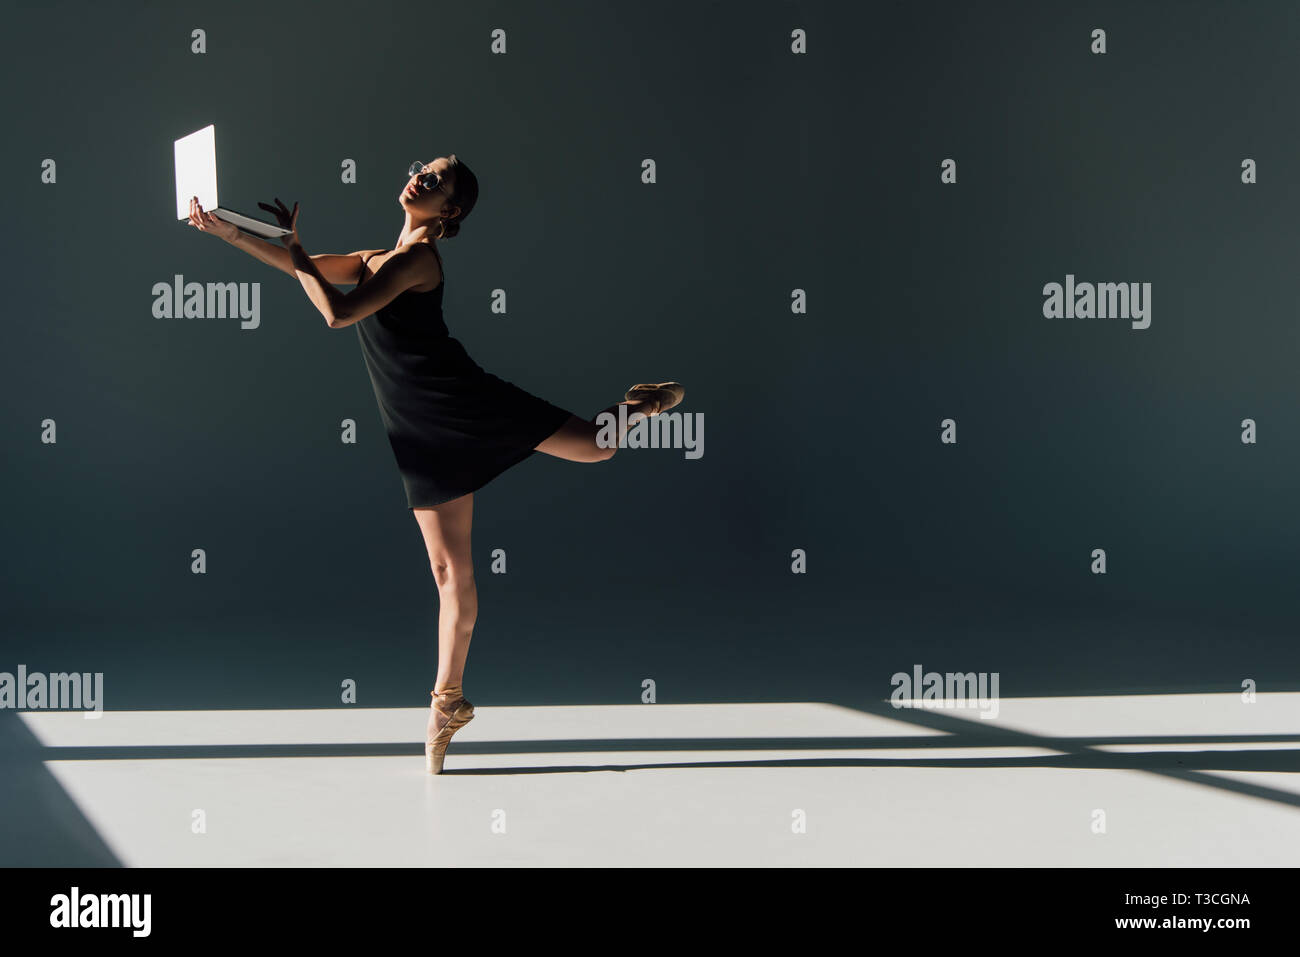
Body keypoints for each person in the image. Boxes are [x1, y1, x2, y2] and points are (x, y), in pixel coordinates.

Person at [187, 155, 683, 773]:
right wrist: (237, 235)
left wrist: (295, 246)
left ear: (447, 212)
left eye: (437, 180)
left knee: (596, 446)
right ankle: (448, 701)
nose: (421, 176)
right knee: (451, 575)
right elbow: (304, 269)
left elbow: (336, 312)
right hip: (418, 431)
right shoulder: (374, 257)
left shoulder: (418, 260)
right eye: (424, 168)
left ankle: (639, 406)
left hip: (463, 400)